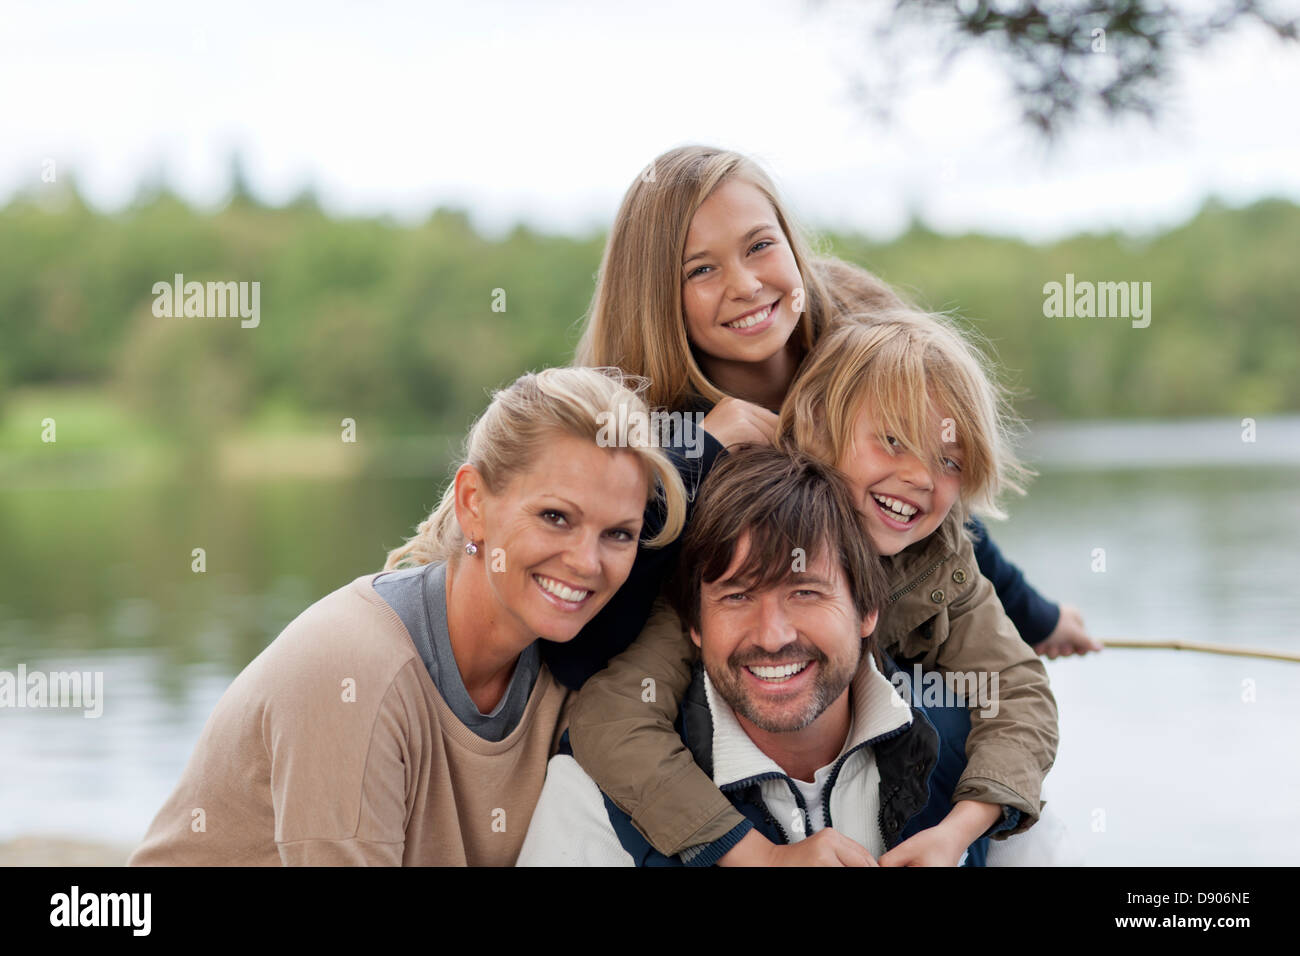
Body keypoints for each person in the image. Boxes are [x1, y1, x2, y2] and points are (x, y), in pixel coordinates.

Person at [127, 367, 687, 866]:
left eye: (619, 534)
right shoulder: (352, 671)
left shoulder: (564, 666)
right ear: (473, 503)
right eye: (555, 517)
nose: (587, 562)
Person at [567, 312, 1060, 866]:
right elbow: (613, 717)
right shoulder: (743, 530)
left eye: (948, 461)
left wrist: (961, 829)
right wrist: (756, 856)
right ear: (821, 423)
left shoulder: (939, 554)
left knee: (949, 722)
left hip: (878, 784)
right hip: (739, 790)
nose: (922, 477)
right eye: (894, 440)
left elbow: (1016, 687)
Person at [517, 446, 944, 866]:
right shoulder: (591, 799)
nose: (773, 637)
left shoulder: (969, 764)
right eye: (737, 596)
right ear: (695, 626)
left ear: (868, 609)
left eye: (805, 592)